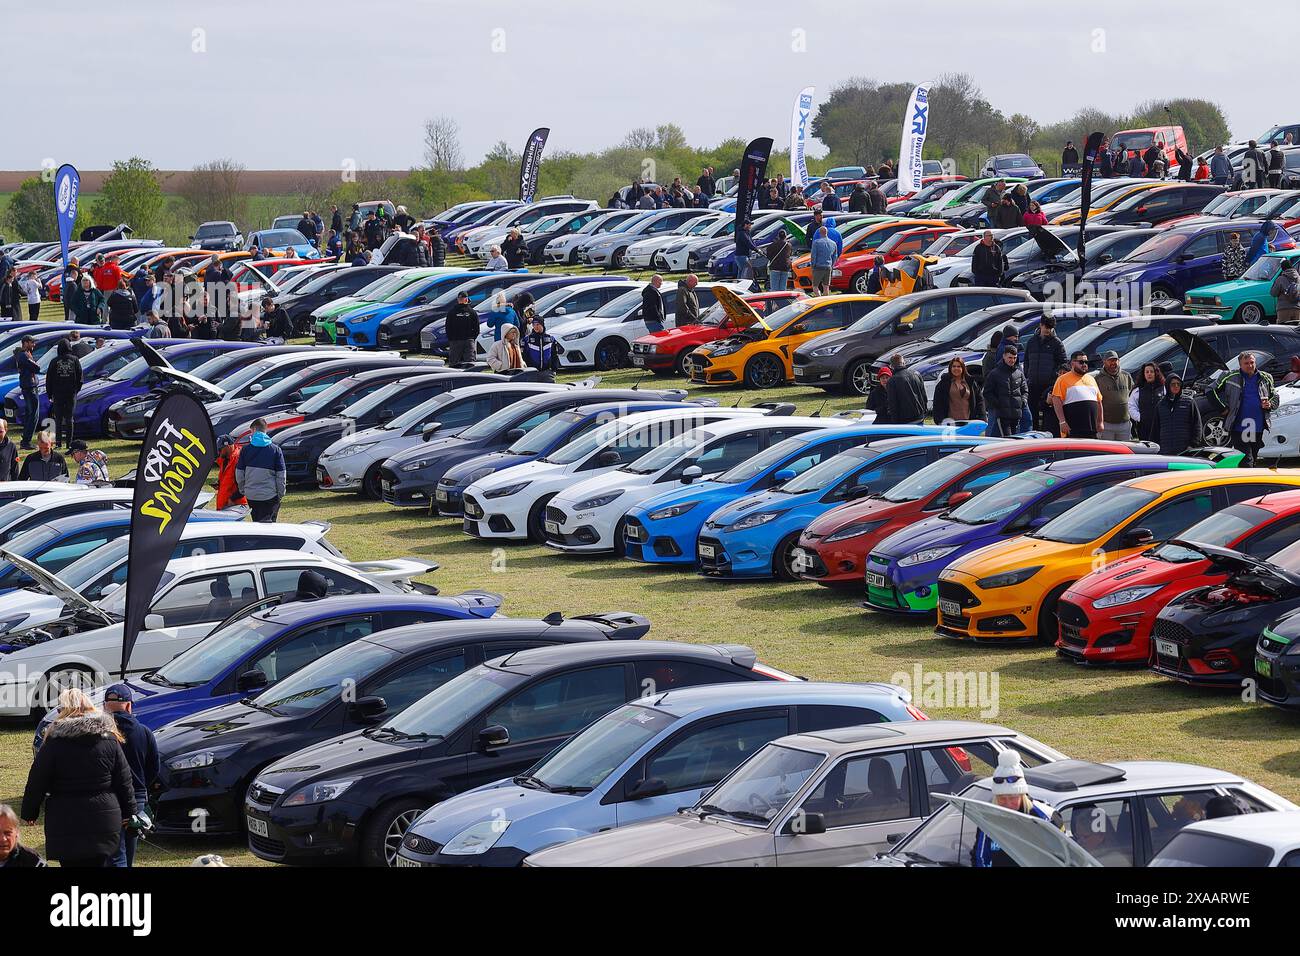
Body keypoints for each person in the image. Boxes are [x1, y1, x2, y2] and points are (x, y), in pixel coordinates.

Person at [22, 699, 136, 867]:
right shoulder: (109, 739)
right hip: (103, 817)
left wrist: (30, 812)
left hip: (65, 818)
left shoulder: (53, 743)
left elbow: (37, 781)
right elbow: (124, 781)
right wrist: (130, 812)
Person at [103, 684, 159, 867]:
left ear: (104, 706)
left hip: (110, 797)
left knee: (113, 854)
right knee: (129, 849)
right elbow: (154, 768)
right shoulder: (144, 732)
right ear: (129, 706)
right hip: (137, 797)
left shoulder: (102, 734)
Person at [972, 750, 1059, 867]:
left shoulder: (1045, 816)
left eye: (1013, 798)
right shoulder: (988, 819)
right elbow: (980, 858)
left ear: (1022, 795)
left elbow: (1059, 857)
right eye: (1002, 799)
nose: (1007, 804)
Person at [1216, 351, 1277, 466]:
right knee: (1246, 459)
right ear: (1240, 365)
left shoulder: (1265, 377)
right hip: (1241, 426)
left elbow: (1275, 396)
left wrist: (1270, 404)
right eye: (1246, 363)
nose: (1250, 365)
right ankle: (1246, 480)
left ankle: (1246, 480)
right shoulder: (1230, 376)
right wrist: (1222, 408)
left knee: (1253, 457)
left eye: (1252, 362)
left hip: (1257, 426)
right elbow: (1211, 390)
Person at [237, 418, 287, 522]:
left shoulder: (245, 450)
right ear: (265, 430)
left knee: (256, 522)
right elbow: (281, 475)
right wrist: (281, 493)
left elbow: (239, 474)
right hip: (270, 495)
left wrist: (243, 490)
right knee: (270, 525)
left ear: (254, 429)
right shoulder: (275, 449)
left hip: (251, 495)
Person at [1023, 316, 1067, 432]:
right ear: (1041, 325)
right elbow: (1026, 360)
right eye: (1046, 327)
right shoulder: (1032, 341)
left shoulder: (1057, 343)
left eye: (1051, 328)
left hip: (1048, 386)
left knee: (1048, 417)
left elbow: (1063, 363)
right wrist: (1028, 375)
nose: (1048, 330)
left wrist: (1053, 377)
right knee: (1032, 416)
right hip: (1032, 384)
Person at [1051, 351, 1104, 440]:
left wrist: (1100, 422)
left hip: (1092, 430)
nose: (1084, 364)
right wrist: (1062, 422)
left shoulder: (1091, 379)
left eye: (1086, 362)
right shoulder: (1062, 379)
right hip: (1073, 430)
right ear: (1072, 363)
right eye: (1081, 362)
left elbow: (1099, 402)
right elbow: (1056, 400)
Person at [1151, 373, 1203, 455]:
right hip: (1165, 451)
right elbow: (1155, 430)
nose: (1176, 386)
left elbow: (1197, 426)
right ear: (1168, 385)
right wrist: (1155, 448)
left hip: (1185, 451)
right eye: (1173, 384)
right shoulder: (1160, 405)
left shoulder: (1189, 402)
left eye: (1178, 384)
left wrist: (1193, 445)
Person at [983, 343, 1028, 437]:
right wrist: (998, 404)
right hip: (1002, 415)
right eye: (1010, 357)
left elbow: (1025, 390)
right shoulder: (994, 373)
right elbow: (987, 392)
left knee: (1015, 438)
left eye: (1014, 358)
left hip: (1016, 414)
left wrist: (1023, 401)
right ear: (1004, 356)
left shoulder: (1019, 373)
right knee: (1007, 438)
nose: (1012, 360)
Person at [45, 339, 83, 448]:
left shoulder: (54, 361)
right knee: (69, 418)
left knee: (58, 419)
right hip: (71, 394)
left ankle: (58, 443)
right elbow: (80, 377)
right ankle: (69, 443)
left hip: (58, 394)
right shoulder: (75, 360)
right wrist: (76, 390)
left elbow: (49, 379)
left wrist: (49, 394)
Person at [1094, 350, 1135, 441]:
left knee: (1124, 452)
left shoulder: (1126, 376)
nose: (1113, 363)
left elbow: (1132, 396)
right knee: (1108, 453)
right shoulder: (1098, 379)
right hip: (1106, 425)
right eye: (1110, 360)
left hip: (1125, 425)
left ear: (1118, 361)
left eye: (1115, 360)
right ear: (1104, 362)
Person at [932, 356, 983, 424]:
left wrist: (982, 418)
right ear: (950, 368)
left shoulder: (971, 382)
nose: (956, 368)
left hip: (969, 422)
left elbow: (980, 401)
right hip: (950, 423)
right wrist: (939, 421)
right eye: (954, 366)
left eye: (959, 366)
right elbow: (937, 404)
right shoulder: (943, 383)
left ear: (963, 368)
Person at [1128, 362, 1167, 443]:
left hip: (1161, 426)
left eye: (1152, 372)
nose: (1149, 374)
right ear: (1144, 374)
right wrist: (1140, 418)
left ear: (1156, 373)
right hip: (1144, 427)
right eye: (1147, 372)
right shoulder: (1137, 390)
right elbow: (1131, 407)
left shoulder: (1163, 388)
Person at [884, 355, 927, 425]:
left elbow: (893, 404)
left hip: (904, 420)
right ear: (903, 363)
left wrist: (894, 422)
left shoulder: (892, 381)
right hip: (919, 416)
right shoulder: (916, 374)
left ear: (891, 366)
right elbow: (924, 396)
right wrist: (924, 412)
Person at [14, 334, 39, 449]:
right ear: (25, 343)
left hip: (28, 386)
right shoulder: (24, 355)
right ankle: (26, 441)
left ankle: (26, 439)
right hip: (29, 387)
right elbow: (36, 367)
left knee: (31, 414)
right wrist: (34, 362)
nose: (34, 344)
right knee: (33, 415)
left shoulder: (24, 354)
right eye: (31, 342)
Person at [444, 290, 479, 366]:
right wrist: (472, 338)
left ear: (458, 300)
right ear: (467, 299)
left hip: (455, 341)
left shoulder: (451, 312)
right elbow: (477, 329)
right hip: (468, 341)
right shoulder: (472, 312)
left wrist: (451, 339)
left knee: (454, 364)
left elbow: (448, 328)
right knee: (470, 364)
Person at [214, 435, 246, 510]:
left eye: (220, 449)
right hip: (224, 504)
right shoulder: (225, 460)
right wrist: (219, 484)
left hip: (234, 505)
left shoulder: (238, 460)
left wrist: (232, 499)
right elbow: (228, 479)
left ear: (227, 447)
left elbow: (244, 484)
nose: (219, 452)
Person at [1271, 257, 1300, 325]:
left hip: (1283, 310)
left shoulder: (1280, 279)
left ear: (1283, 268)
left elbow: (1273, 293)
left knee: (1282, 331)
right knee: (1295, 332)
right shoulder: (1299, 278)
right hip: (1297, 309)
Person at [809, 227, 836, 296]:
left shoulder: (816, 243)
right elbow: (834, 256)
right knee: (826, 286)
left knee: (815, 286)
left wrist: (813, 266)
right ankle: (825, 300)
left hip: (818, 267)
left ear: (820, 233)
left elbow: (813, 256)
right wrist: (832, 265)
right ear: (827, 232)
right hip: (828, 267)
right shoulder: (833, 243)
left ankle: (819, 298)